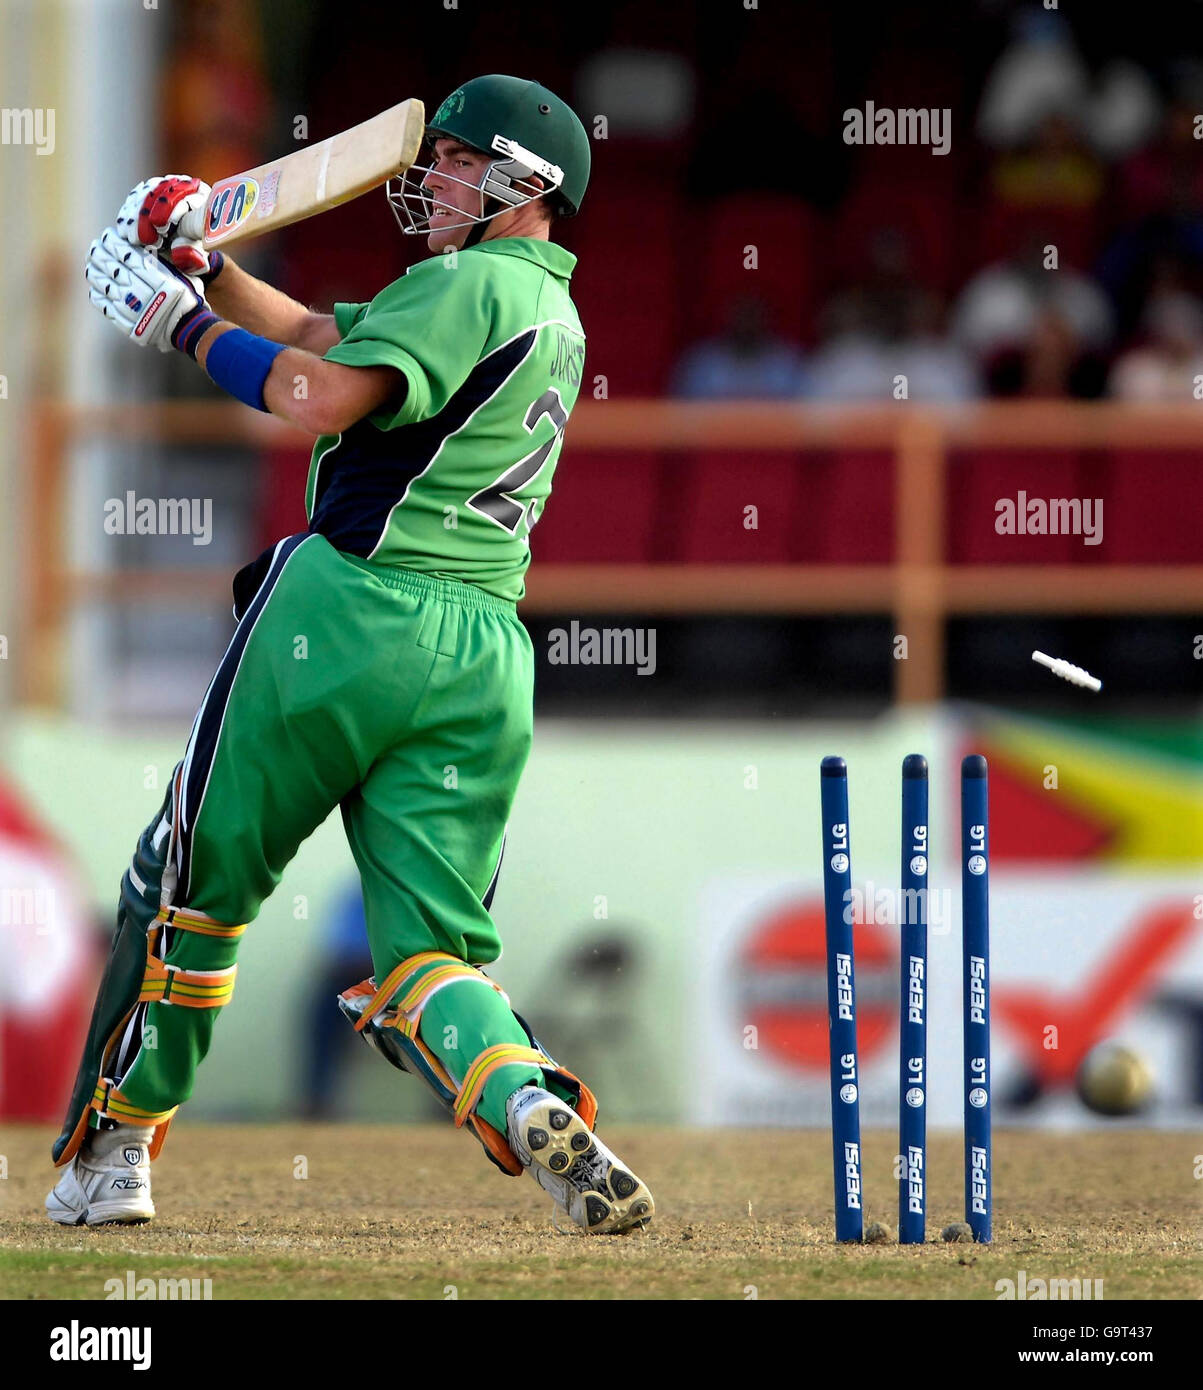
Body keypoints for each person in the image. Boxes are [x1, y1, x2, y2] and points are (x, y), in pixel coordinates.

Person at [47, 75, 653, 1236]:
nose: (433, 180)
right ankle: (527, 1093)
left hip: (349, 613)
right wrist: (207, 265)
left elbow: (310, 390)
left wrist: (171, 322)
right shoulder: (547, 310)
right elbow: (330, 334)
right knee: (435, 953)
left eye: (462, 162)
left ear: (526, 188)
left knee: (191, 885)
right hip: (483, 654)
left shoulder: (461, 281)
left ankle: (115, 1153)